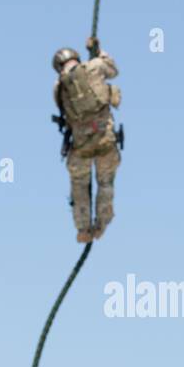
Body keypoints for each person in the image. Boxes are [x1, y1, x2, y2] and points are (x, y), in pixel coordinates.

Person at [52, 40, 122, 243]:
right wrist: (100, 53)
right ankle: (101, 225)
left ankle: (83, 229)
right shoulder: (94, 67)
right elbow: (113, 70)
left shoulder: (58, 88)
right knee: (105, 183)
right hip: (105, 140)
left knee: (79, 187)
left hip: (80, 147)